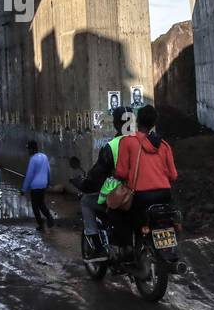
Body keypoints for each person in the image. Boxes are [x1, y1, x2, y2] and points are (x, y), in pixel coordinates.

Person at [112, 104, 177, 249]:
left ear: (137, 121)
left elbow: (121, 173)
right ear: (154, 124)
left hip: (141, 196)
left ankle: (126, 249)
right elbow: (173, 175)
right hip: (165, 195)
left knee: (117, 213)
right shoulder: (164, 145)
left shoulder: (127, 142)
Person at [71, 106, 129, 257]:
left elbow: (98, 174)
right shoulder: (144, 141)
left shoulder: (113, 146)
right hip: (145, 192)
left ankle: (97, 246)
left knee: (86, 201)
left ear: (116, 124)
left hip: (123, 196)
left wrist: (84, 185)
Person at [21, 140, 54, 230]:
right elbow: (48, 170)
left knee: (35, 206)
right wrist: (48, 182)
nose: (28, 151)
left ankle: (41, 224)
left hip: (35, 186)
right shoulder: (44, 156)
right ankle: (50, 218)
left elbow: (29, 175)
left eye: (29, 149)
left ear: (32, 149)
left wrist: (24, 189)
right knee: (41, 204)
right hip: (43, 184)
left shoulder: (33, 159)